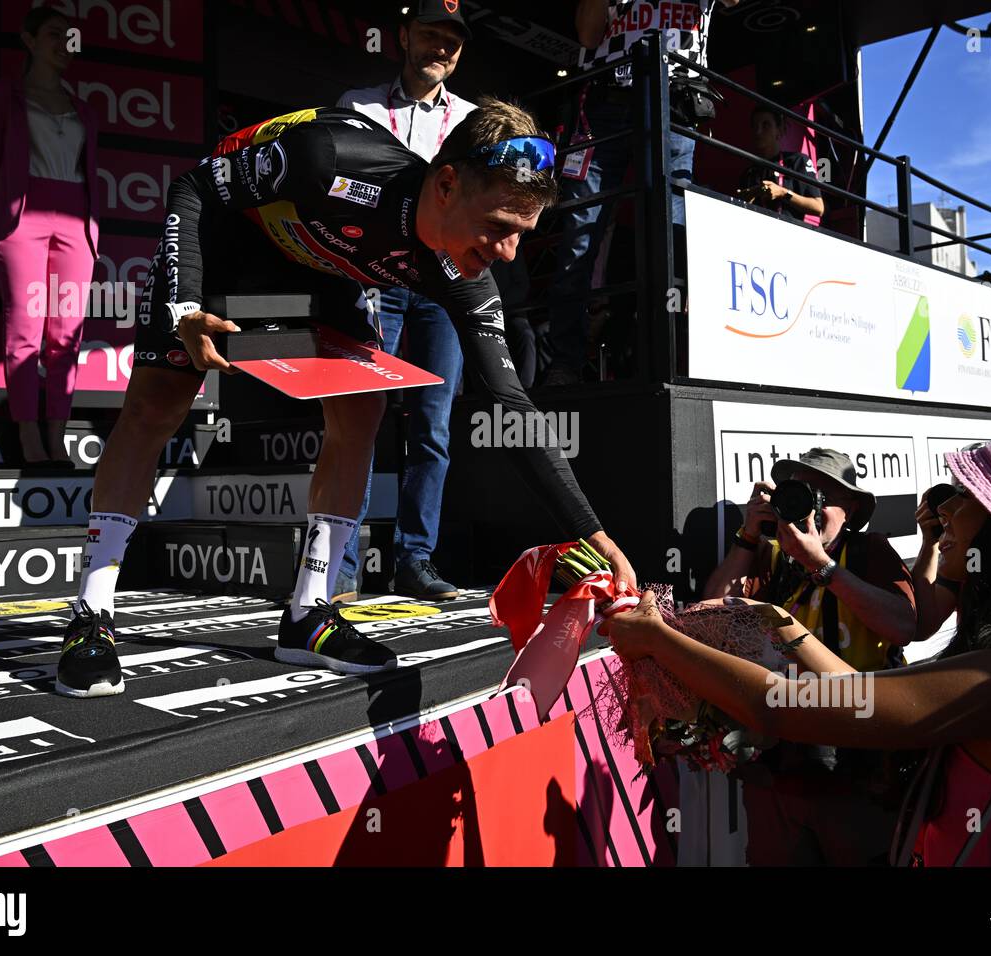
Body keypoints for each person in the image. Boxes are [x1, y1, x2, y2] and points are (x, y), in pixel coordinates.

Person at [56, 100, 637, 697]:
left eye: (523, 233)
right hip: (226, 233)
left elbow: (510, 405)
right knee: (159, 401)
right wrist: (184, 306)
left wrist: (593, 535)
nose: (508, 252)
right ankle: (89, 616)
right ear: (446, 184)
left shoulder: (467, 276)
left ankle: (309, 612)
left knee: (364, 403)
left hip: (326, 264)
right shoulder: (331, 160)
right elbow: (195, 187)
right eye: (498, 226)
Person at [608, 432, 991, 865]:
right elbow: (858, 692)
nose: (946, 521)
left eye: (968, 500)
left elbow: (777, 705)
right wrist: (777, 621)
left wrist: (657, 637)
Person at [702, 447, 916, 864]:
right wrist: (748, 535)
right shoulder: (771, 555)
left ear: (851, 509)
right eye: (802, 492)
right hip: (780, 762)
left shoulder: (868, 551)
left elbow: (902, 626)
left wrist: (821, 565)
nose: (811, 505)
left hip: (855, 765)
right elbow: (711, 616)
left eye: (825, 496)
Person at [334, 0, 477, 602]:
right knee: (357, 421)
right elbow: (334, 188)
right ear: (402, 36)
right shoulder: (358, 106)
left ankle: (414, 559)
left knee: (434, 427)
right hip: (377, 280)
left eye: (451, 40)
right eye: (429, 34)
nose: (440, 48)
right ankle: (338, 564)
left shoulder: (476, 120)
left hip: (444, 286)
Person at [540, 0, 738, 387]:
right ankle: (565, 363)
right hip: (605, 99)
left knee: (672, 238)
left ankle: (677, 361)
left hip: (673, 96)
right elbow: (588, 33)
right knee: (579, 236)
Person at [0, 5, 99, 466]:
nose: (65, 43)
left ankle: (58, 436)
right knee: (25, 325)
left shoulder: (83, 107)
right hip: (22, 217)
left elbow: (90, 171)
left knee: (67, 331)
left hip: (75, 219)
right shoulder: (3, 95)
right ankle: (28, 435)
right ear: (28, 41)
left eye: (70, 36)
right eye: (54, 34)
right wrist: (8, 210)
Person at [736, 103, 824, 223]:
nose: (758, 131)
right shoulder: (749, 173)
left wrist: (783, 192)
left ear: (779, 130)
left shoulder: (797, 160)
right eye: (755, 126)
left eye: (765, 125)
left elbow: (818, 207)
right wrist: (748, 196)